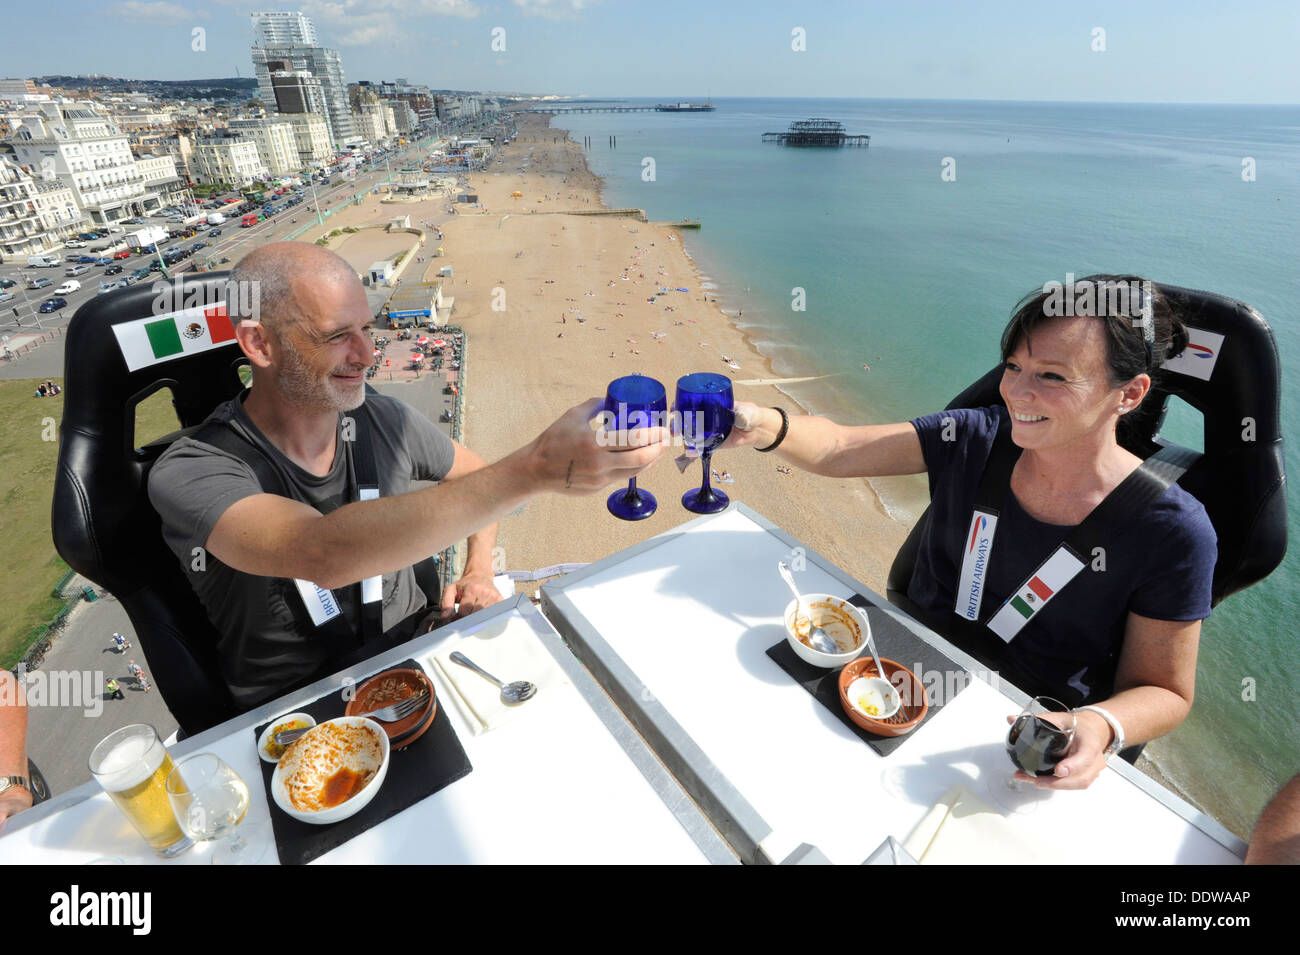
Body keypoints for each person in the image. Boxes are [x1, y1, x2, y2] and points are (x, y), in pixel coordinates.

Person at [721, 275, 1215, 790]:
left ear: (1129, 394)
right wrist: (759, 425)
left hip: (1017, 733)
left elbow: (1164, 691)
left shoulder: (1173, 531)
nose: (1017, 393)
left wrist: (1101, 723)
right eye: (1014, 367)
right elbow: (841, 447)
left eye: (1051, 376)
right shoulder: (975, 437)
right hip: (902, 669)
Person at [149, 242, 667, 709]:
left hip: (418, 661)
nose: (367, 356)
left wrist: (479, 570)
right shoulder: (194, 469)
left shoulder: (384, 421)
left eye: (367, 330)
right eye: (337, 337)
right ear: (260, 345)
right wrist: (533, 470)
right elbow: (319, 555)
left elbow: (475, 478)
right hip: (297, 712)